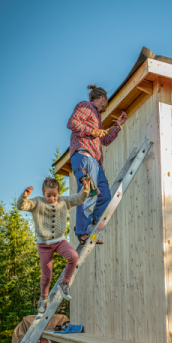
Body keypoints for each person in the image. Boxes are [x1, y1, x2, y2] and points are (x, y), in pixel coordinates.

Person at [18, 177, 90, 314]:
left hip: (60, 241)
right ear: (43, 193)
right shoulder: (37, 202)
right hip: (44, 245)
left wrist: (85, 188)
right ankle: (43, 299)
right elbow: (22, 206)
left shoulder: (64, 201)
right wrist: (25, 197)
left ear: (58, 193)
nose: (52, 199)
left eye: (54, 195)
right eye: (48, 196)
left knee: (74, 256)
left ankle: (65, 283)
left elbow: (79, 198)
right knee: (47, 275)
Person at [67, 84, 127, 244]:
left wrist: (118, 126)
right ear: (103, 99)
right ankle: (82, 232)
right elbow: (72, 122)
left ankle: (91, 226)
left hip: (96, 162)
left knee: (105, 196)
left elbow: (105, 140)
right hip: (84, 155)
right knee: (88, 193)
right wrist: (93, 132)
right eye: (107, 102)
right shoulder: (86, 106)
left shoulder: (97, 119)